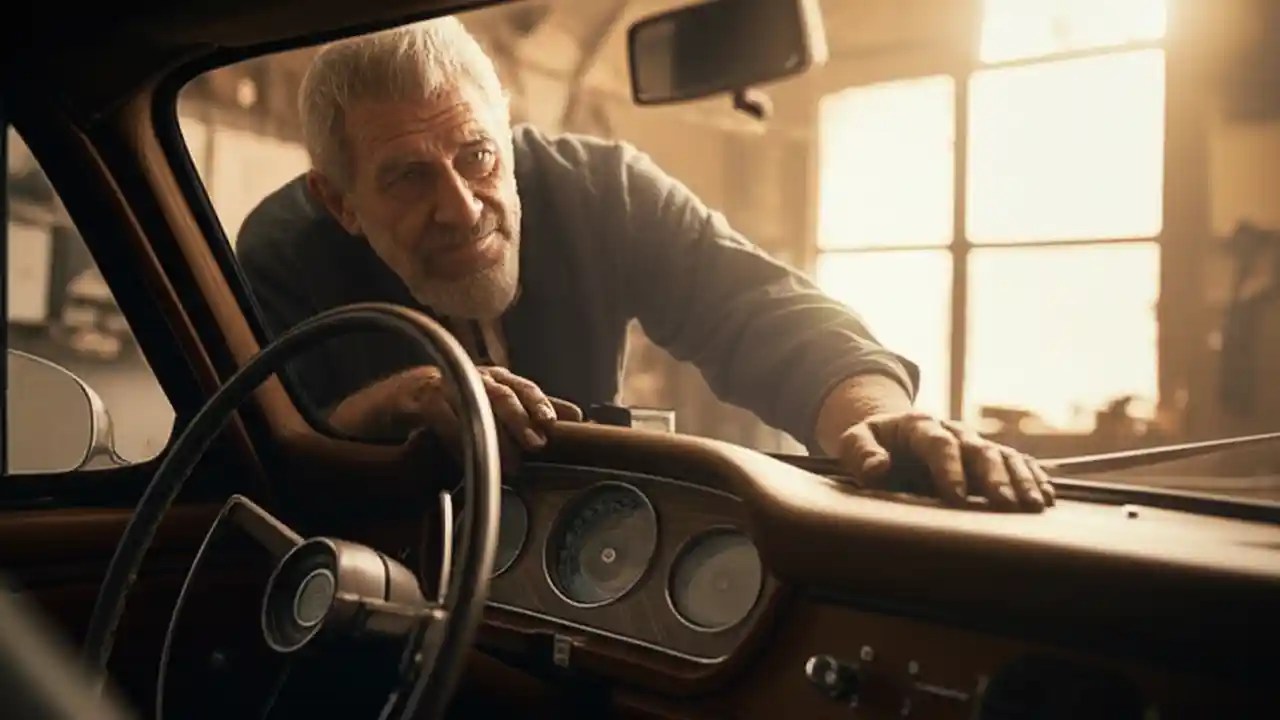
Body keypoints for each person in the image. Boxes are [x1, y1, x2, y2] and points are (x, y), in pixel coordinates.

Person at [236, 17, 1055, 512]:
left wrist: (869, 417)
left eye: (478, 155)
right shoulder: (278, 253)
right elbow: (261, 459)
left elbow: (758, 307)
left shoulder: (604, 190)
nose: (460, 206)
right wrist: (394, 403)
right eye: (409, 176)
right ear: (340, 201)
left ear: (507, 133)